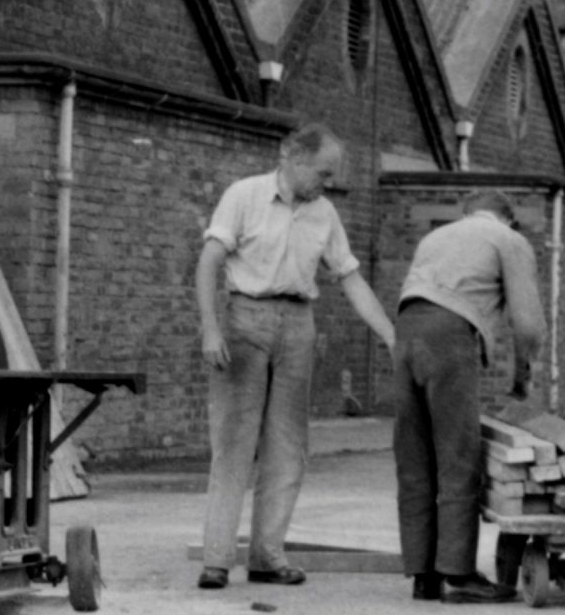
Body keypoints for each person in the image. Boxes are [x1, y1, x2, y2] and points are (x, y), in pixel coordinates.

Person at [194, 123, 398, 591]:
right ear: (294, 159)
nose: (328, 183)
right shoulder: (244, 195)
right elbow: (209, 261)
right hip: (245, 319)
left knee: (288, 445)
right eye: (323, 173)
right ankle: (217, 560)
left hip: (299, 325)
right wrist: (210, 328)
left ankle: (267, 556)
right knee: (234, 443)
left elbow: (350, 277)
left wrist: (390, 334)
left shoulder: (324, 213)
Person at [391, 190, 544, 604]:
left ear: (469, 213)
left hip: (405, 332)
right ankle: (458, 574)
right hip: (448, 333)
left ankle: (423, 575)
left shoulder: (436, 237)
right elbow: (528, 324)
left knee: (415, 458)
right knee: (459, 456)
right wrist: (523, 376)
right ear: (507, 217)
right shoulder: (508, 239)